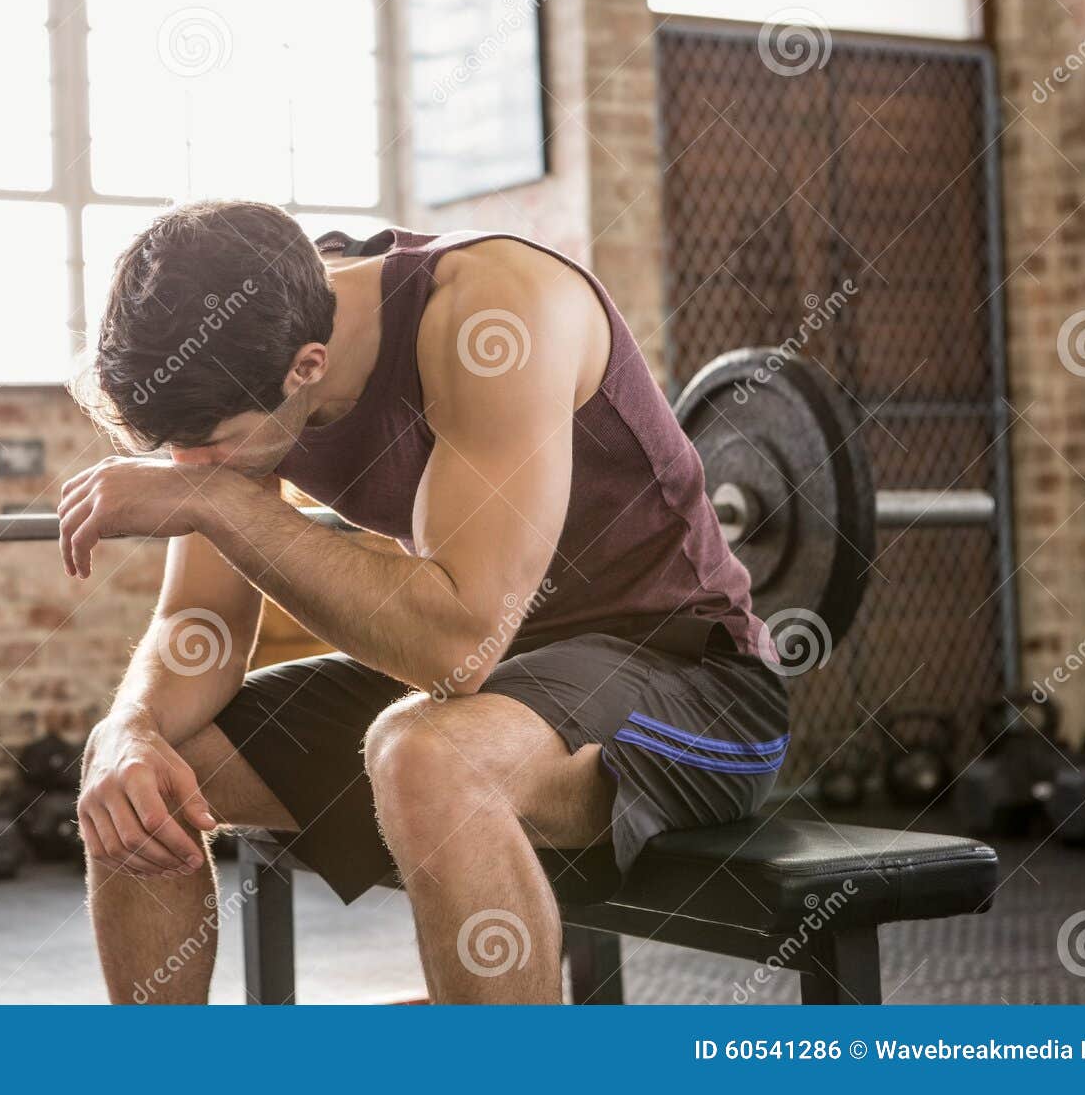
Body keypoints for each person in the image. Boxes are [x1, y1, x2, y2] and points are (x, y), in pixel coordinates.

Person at [60, 200, 788, 1003]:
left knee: (426, 754)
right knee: (133, 782)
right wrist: (130, 727)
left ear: (308, 365)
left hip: (694, 684)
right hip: (504, 690)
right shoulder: (253, 328)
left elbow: (457, 647)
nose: (192, 467)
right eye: (176, 454)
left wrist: (221, 505)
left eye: (212, 447)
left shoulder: (497, 312)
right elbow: (196, 622)